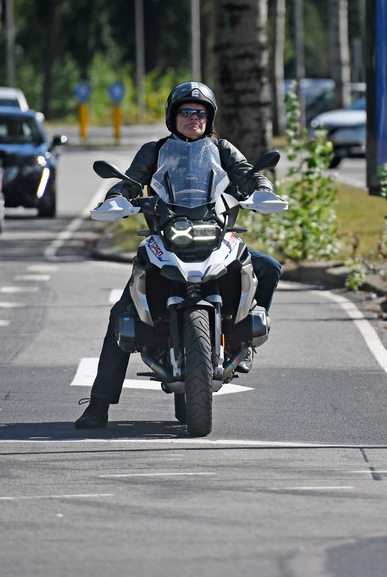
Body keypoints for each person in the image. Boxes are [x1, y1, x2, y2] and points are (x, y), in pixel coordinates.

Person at [75, 81, 283, 429]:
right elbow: (131, 180)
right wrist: (117, 197)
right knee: (122, 313)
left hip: (215, 233)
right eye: (186, 112)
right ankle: (98, 406)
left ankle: (244, 339)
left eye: (200, 113)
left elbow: (246, 175)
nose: (193, 118)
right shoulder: (154, 151)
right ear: (173, 117)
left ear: (209, 117)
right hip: (166, 237)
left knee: (268, 268)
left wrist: (261, 189)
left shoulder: (222, 148)